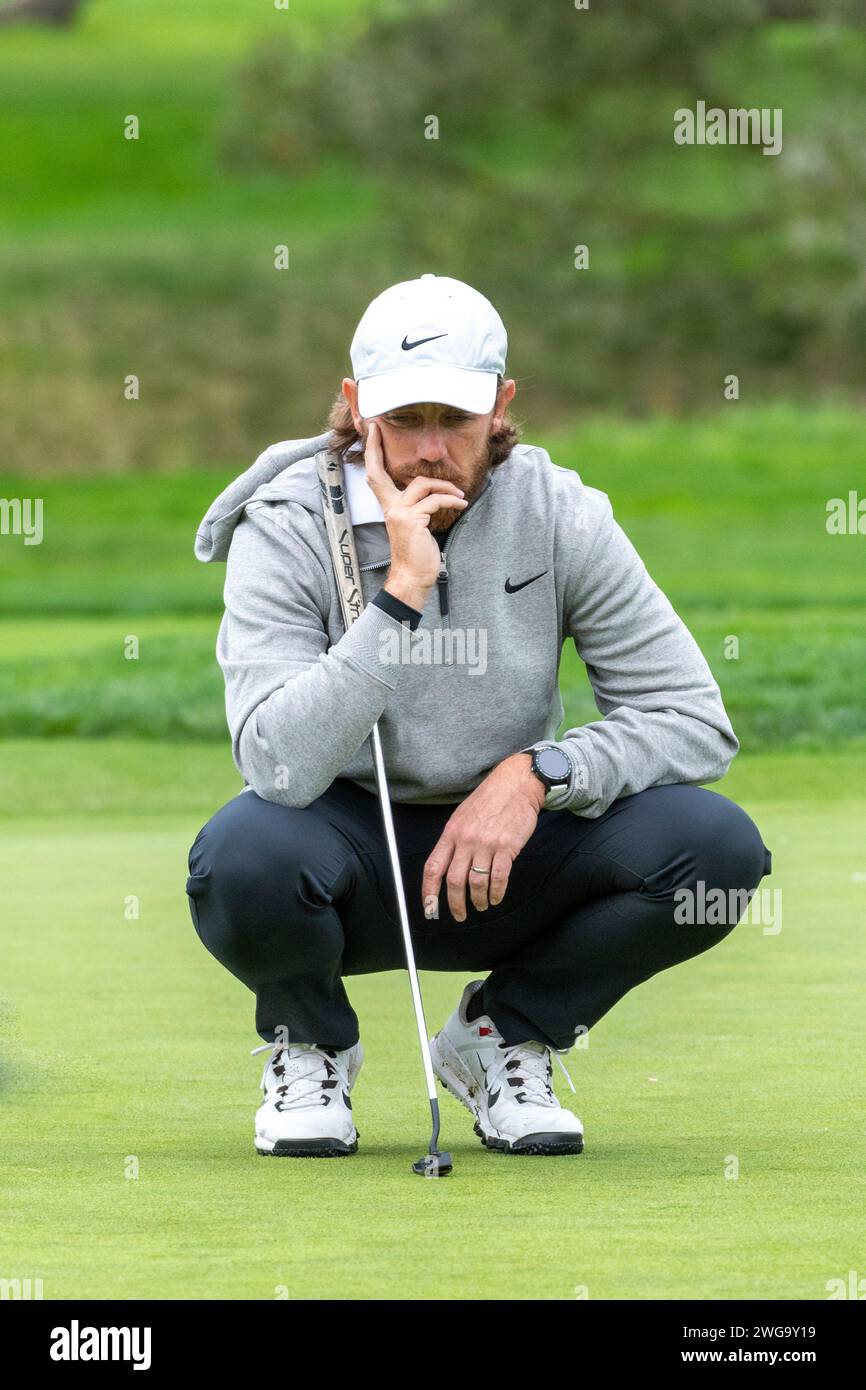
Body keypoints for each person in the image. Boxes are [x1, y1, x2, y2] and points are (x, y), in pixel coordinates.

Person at [186, 273, 772, 1159]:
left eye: (454, 420)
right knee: (242, 857)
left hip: (510, 857)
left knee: (714, 849)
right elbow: (277, 763)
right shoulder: (287, 520)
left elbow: (692, 719)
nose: (430, 449)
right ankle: (312, 1045)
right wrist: (399, 597)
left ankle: (503, 1034)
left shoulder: (559, 511)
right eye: (404, 418)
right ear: (356, 406)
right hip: (348, 858)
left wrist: (540, 774)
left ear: (500, 406)